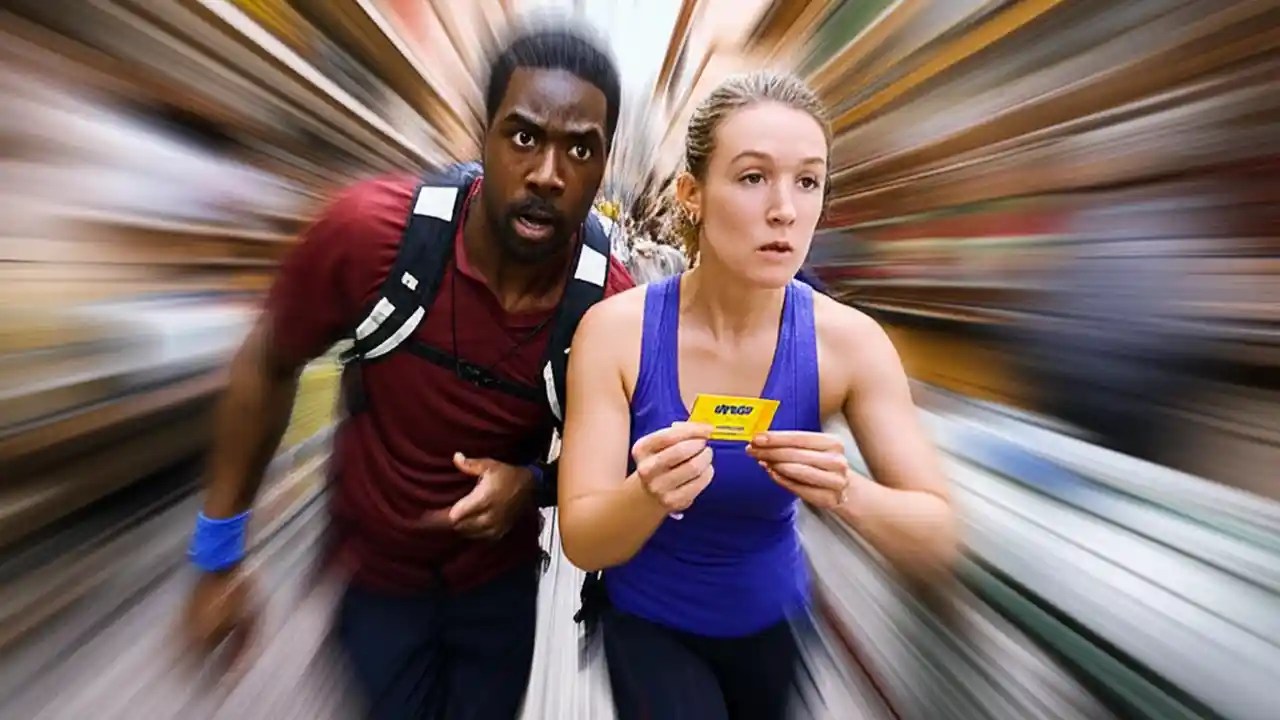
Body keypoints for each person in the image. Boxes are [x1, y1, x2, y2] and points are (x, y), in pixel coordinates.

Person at [182, 28, 632, 720]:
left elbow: (618, 463)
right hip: (374, 584)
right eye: (522, 137)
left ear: (604, 165)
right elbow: (268, 364)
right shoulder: (368, 236)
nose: (548, 172)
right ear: (482, 138)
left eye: (579, 148)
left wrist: (533, 485)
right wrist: (218, 557)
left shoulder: (611, 308)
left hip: (500, 594)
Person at [556, 71, 957, 720]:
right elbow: (583, 540)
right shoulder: (616, 333)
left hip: (775, 628)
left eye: (808, 180)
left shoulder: (850, 344)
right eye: (752, 177)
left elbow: (936, 533)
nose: (785, 210)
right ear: (692, 194)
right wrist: (646, 492)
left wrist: (847, 493)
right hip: (647, 626)